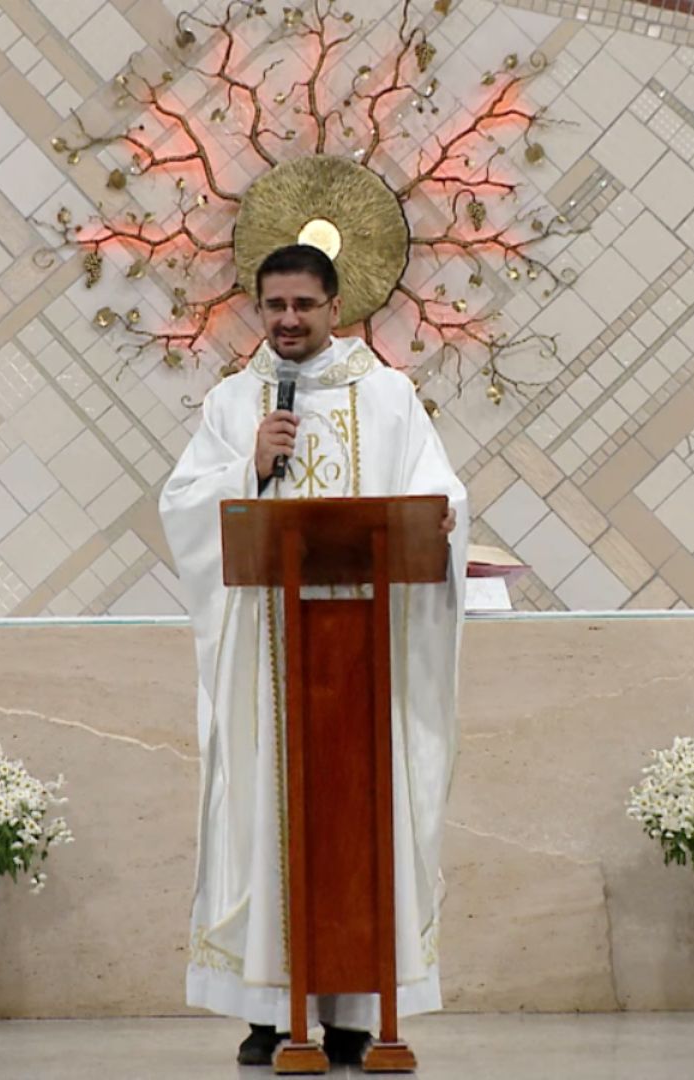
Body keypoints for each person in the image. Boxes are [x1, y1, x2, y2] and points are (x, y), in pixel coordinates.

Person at [159, 245, 468, 1067]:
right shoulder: (234, 403)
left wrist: (445, 525)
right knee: (266, 820)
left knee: (358, 823)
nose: (288, 321)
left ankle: (357, 1012)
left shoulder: (391, 397)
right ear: (257, 310)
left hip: (363, 663)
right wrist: (249, 466)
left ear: (337, 308)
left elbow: (442, 501)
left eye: (303, 305)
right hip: (270, 661)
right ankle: (267, 1008)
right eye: (274, 306)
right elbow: (185, 506)